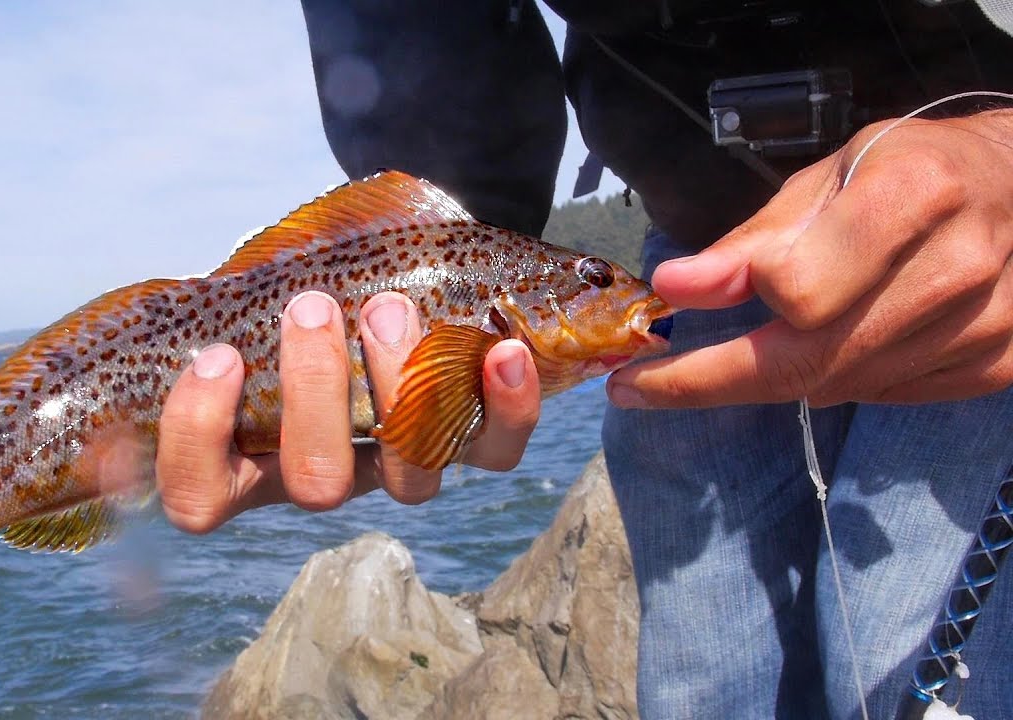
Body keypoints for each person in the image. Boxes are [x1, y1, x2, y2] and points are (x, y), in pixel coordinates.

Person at [156, 2, 1013, 718]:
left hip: (987, 224)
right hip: (702, 253)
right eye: (593, 284)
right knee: (705, 681)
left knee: (903, 642)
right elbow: (433, 75)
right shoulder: (536, 298)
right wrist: (428, 370)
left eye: (594, 282)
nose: (610, 293)